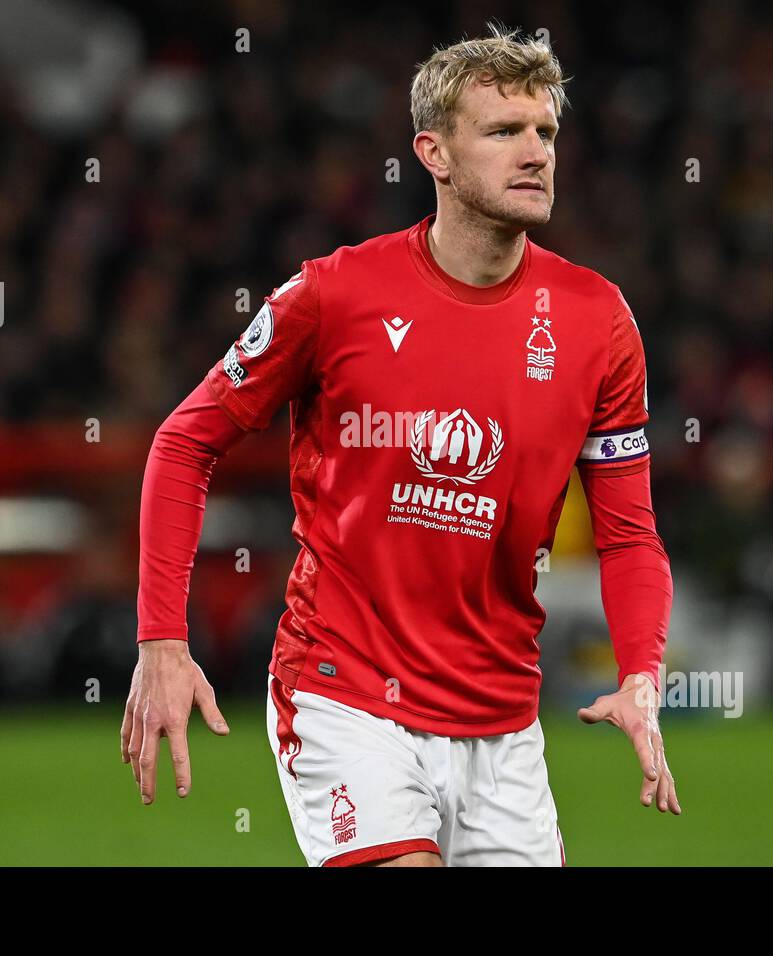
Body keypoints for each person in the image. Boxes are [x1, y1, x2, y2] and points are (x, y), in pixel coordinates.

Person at [122, 22, 679, 867]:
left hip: (502, 722)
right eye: (503, 131)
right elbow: (184, 442)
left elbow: (630, 533)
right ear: (435, 153)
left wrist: (641, 672)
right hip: (346, 696)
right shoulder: (332, 295)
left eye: (546, 133)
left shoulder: (598, 321)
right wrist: (162, 640)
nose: (535, 153)